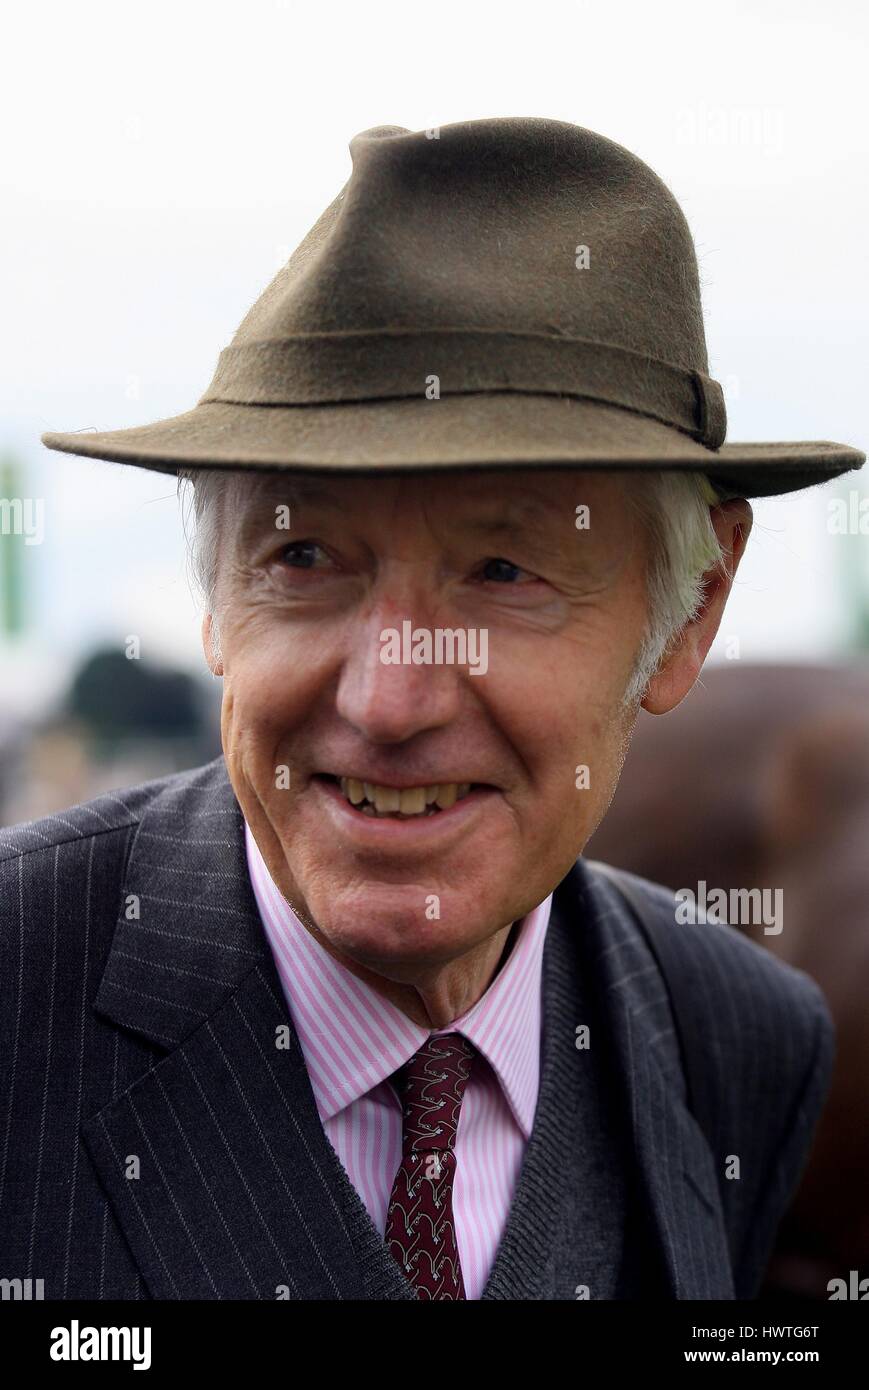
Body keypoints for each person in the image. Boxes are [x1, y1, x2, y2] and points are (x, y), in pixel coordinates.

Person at [2, 117, 863, 1300]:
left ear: (691, 610)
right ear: (213, 598)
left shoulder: (741, 1040)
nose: (389, 697)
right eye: (302, 557)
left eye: (503, 573)